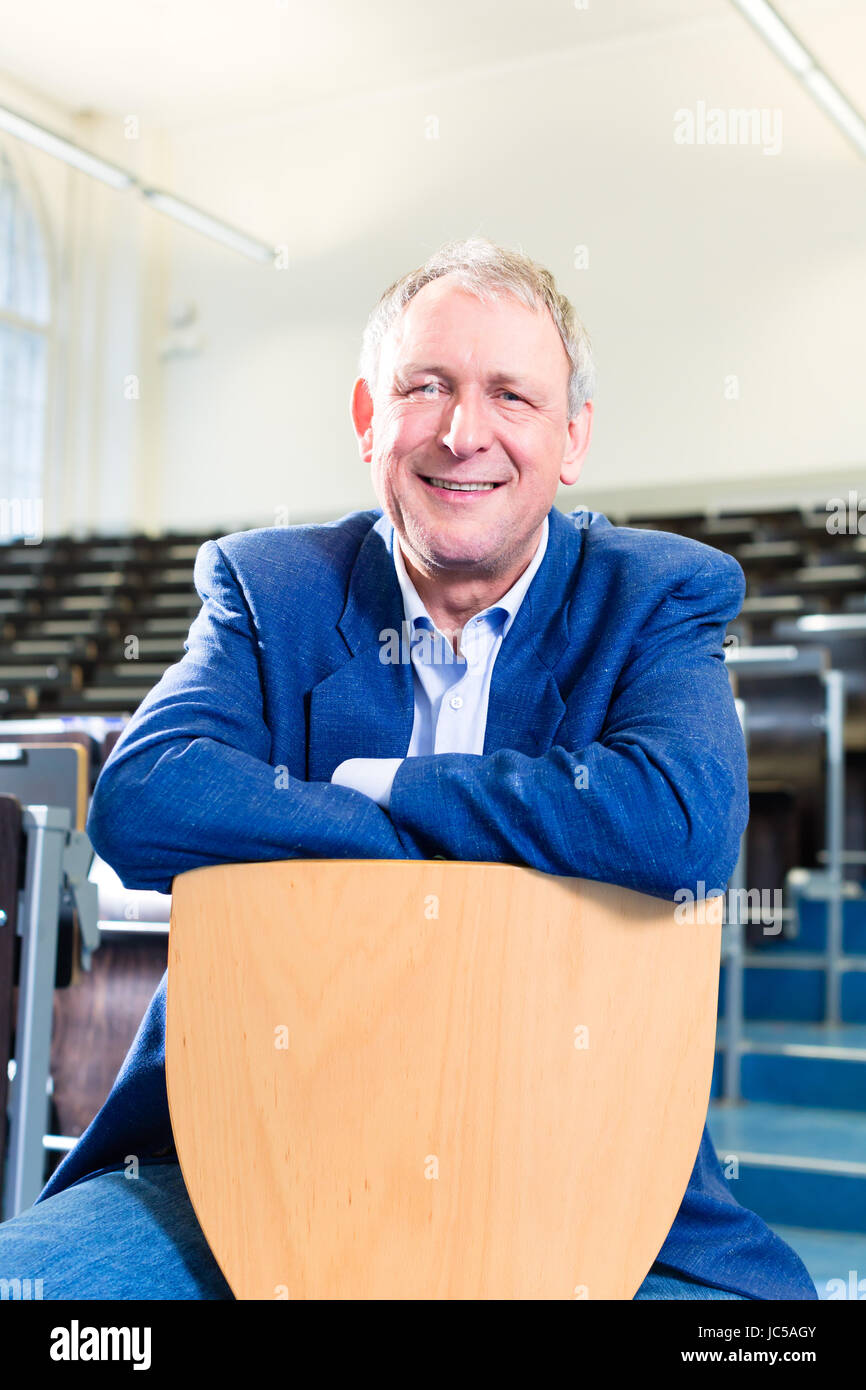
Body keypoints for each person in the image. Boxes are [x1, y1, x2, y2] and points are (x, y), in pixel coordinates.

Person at [0, 236, 816, 1300]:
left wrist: (384, 784)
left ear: (571, 438)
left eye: (509, 396)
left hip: (581, 1167)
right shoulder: (269, 587)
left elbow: (678, 824)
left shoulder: (654, 594)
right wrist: (433, 850)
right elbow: (147, 794)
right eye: (422, 386)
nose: (460, 431)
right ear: (366, 419)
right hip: (241, 1155)